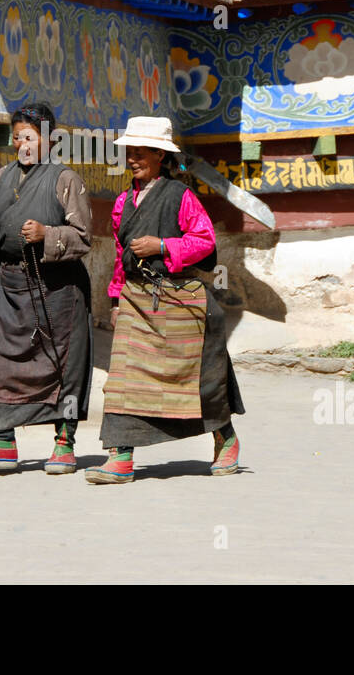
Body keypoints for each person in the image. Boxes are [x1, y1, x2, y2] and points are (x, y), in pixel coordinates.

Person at [85, 115, 244, 485]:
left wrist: (163, 245)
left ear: (160, 155)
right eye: (130, 152)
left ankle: (225, 439)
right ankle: (121, 455)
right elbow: (120, 255)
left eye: (141, 152)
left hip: (177, 299)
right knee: (123, 377)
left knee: (196, 378)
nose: (133, 158)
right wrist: (114, 299)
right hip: (135, 302)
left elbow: (205, 242)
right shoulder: (123, 202)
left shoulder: (180, 196)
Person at [0, 102, 94, 475]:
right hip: (10, 285)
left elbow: (83, 238)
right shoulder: (2, 178)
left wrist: (48, 234)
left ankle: (64, 443)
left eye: (29, 137)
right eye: (17, 138)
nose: (22, 145)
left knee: (62, 366)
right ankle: (1, 442)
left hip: (58, 290)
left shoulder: (66, 180)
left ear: (48, 139)